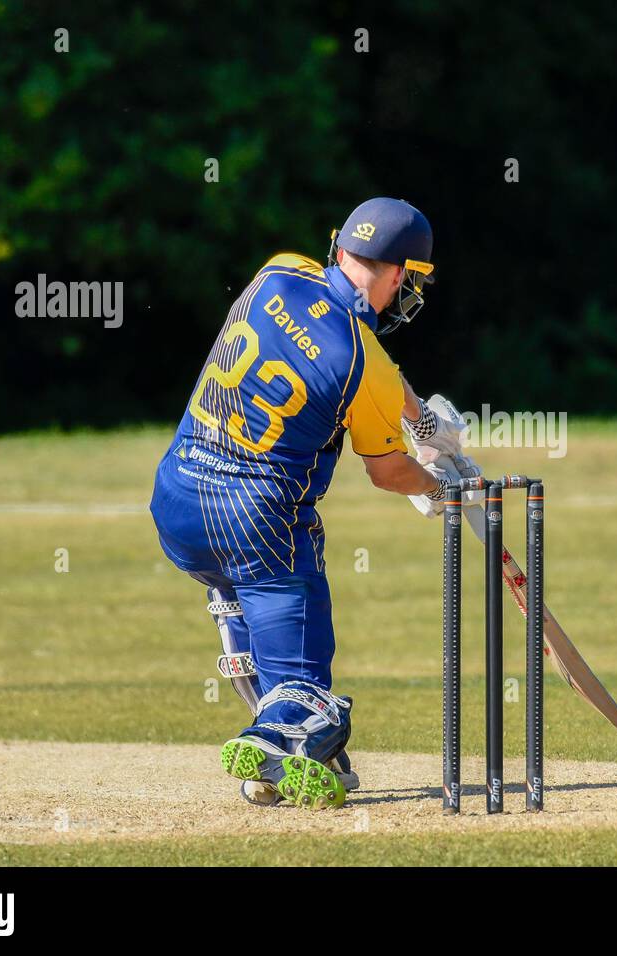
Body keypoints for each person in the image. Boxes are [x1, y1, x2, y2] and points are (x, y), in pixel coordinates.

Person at [149, 198, 479, 808]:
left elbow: (371, 366)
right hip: (256, 520)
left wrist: (424, 422)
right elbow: (386, 473)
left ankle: (296, 749)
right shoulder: (363, 363)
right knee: (303, 671)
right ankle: (284, 735)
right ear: (399, 271)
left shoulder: (279, 271)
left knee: (245, 596)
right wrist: (441, 489)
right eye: (410, 276)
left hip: (176, 498)